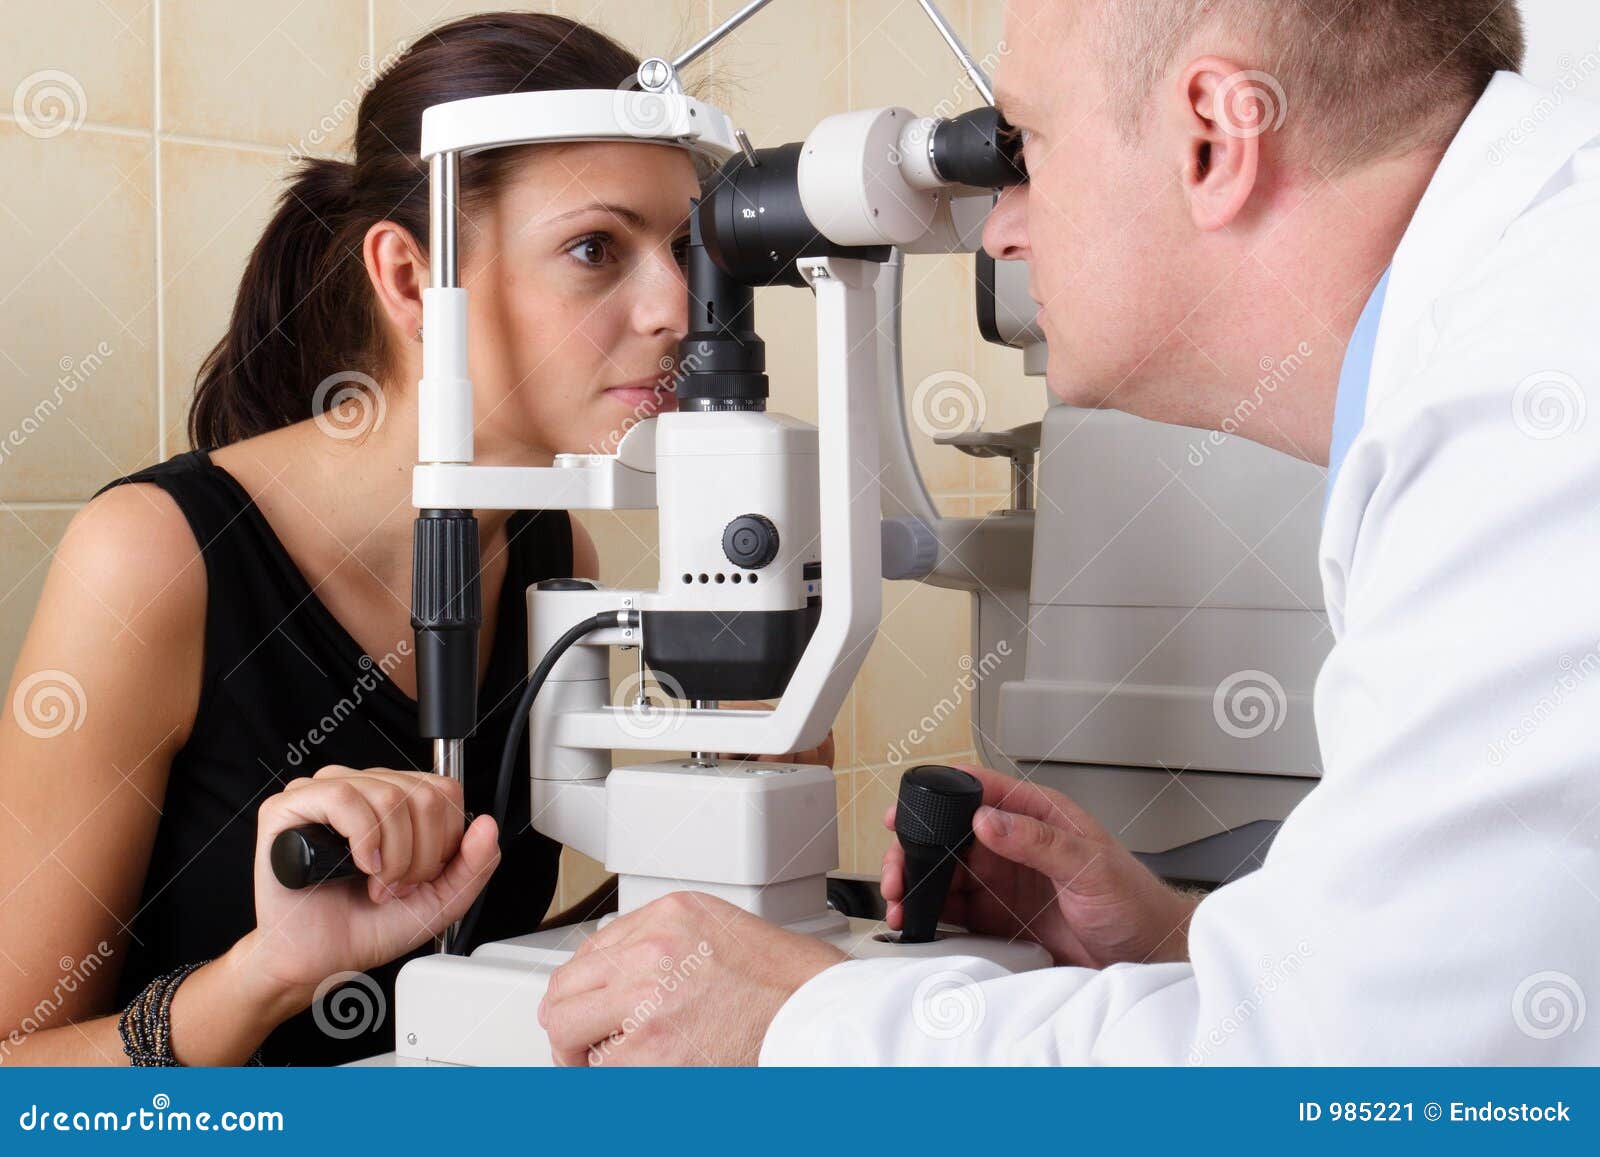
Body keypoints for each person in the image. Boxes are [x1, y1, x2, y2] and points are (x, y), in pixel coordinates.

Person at [539, 0, 1600, 1064]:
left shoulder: (1530, 409)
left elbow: (1383, 1089)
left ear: (1212, 140)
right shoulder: (1513, 325)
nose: (1001, 227)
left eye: (1027, 147)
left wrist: (798, 1025)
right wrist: (1180, 944)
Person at [0, 13, 701, 1066]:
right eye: (596, 248)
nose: (677, 307)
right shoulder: (153, 558)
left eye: (684, 249)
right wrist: (265, 975)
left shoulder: (559, 557)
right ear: (412, 279)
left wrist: (707, 856)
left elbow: (472, 965)